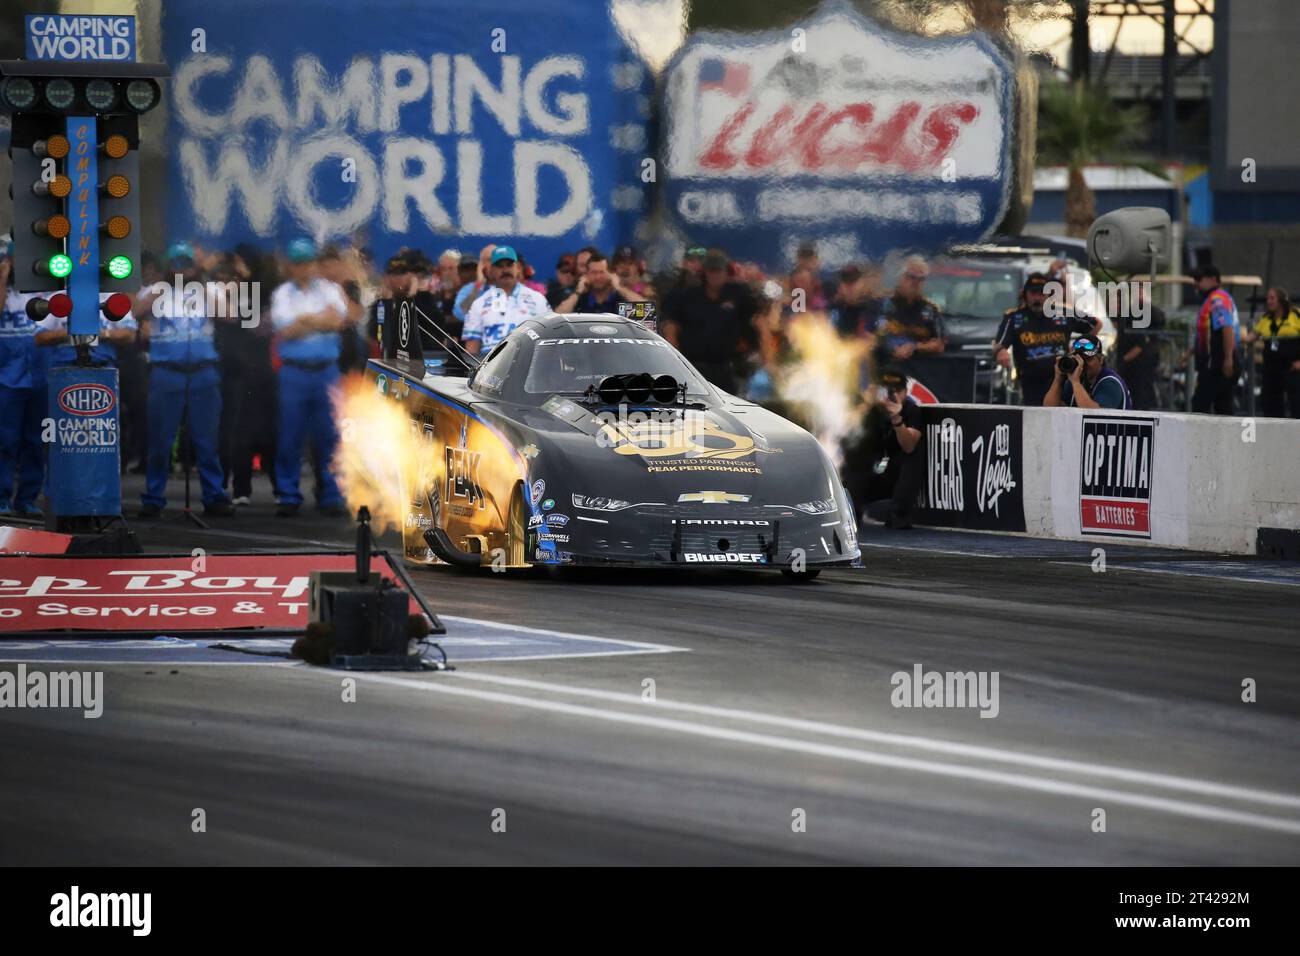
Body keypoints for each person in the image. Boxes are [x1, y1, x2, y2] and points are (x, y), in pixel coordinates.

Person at [132, 242, 233, 518]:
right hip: (166, 372)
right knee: (160, 440)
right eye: (176, 264)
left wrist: (202, 282)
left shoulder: (208, 290)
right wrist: (158, 292)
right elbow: (133, 312)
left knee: (206, 440)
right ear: (168, 266)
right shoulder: (155, 291)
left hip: (203, 372)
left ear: (194, 266)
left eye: (186, 264)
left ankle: (214, 495)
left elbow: (229, 314)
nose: (181, 270)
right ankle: (153, 497)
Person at [270, 237, 349, 518]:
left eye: (307, 262)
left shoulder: (329, 289)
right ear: (291, 266)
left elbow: (338, 321)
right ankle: (288, 494)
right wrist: (319, 320)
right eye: (298, 263)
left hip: (326, 371)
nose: (303, 268)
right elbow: (285, 330)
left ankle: (331, 493)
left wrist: (303, 320)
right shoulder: (282, 294)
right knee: (290, 435)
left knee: (329, 434)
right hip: (294, 372)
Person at [992, 272, 1099, 408]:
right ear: (1025, 294)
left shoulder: (1064, 312)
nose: (1037, 298)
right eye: (1033, 293)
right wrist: (1001, 352)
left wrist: (1080, 347)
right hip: (1030, 381)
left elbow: (1096, 324)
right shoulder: (1013, 317)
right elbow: (1000, 343)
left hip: (1061, 377)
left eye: (1042, 293)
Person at [660, 249, 757, 394]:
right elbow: (671, 327)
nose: (715, 275)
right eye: (712, 271)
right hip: (694, 366)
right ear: (705, 273)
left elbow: (757, 321)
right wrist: (676, 361)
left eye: (719, 271)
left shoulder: (738, 294)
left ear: (726, 272)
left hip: (726, 366)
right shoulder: (688, 296)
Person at [0, 239, 48, 518]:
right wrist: (3, 277)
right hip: (7, 378)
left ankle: (27, 498)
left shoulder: (39, 291)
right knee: (5, 442)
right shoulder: (5, 291)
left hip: (38, 377)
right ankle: (2, 496)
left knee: (35, 441)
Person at [461, 246, 550, 355]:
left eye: (509, 265)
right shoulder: (478, 304)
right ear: (491, 270)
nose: (505, 270)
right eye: (500, 266)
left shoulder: (537, 299)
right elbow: (472, 350)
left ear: (517, 268)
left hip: (527, 361)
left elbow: (549, 339)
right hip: (491, 366)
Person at [864, 368, 924, 529]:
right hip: (874, 470)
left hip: (897, 471)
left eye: (896, 391)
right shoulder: (872, 410)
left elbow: (909, 446)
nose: (891, 395)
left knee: (913, 456)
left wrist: (896, 419)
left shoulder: (912, 411)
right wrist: (866, 405)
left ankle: (900, 513)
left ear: (905, 392)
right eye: (887, 391)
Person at [875, 256, 946, 369]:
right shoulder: (882, 305)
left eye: (921, 279)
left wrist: (914, 347)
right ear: (899, 278)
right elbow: (872, 336)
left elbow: (939, 344)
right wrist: (893, 349)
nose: (916, 282)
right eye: (911, 277)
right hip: (886, 368)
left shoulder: (930, 310)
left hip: (919, 373)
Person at [1189, 264, 1241, 415]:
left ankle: (1200, 438)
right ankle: (1223, 438)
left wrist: (1228, 359)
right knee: (1223, 406)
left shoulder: (1217, 299)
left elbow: (1227, 327)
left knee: (1200, 403)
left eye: (1199, 279)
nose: (1196, 284)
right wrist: (1191, 351)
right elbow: (1207, 333)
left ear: (1213, 279)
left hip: (1218, 362)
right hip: (1218, 361)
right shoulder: (1215, 298)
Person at [1244, 286, 1300, 418]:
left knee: (1297, 404)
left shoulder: (1296, 315)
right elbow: (1252, 336)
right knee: (1270, 405)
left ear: (1281, 300)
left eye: (1272, 298)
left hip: (1292, 368)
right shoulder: (1266, 319)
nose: (1268, 301)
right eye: (1267, 298)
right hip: (1271, 369)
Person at [1114, 282, 1165, 411]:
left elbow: (1140, 344)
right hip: (1132, 363)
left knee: (1141, 394)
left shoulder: (1145, 313)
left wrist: (1124, 359)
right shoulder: (1129, 314)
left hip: (1141, 362)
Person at [1044, 334, 1132, 410]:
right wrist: (1058, 380)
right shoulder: (1076, 379)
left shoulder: (1110, 382)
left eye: (1088, 359)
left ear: (1101, 360)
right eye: (1078, 359)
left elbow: (1095, 416)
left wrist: (1076, 383)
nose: (1082, 364)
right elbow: (1050, 409)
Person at [555, 251, 632, 315]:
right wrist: (578, 292)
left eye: (602, 272)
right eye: (593, 272)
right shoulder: (580, 299)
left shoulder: (619, 298)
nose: (598, 277)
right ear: (586, 275)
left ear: (611, 274)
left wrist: (619, 288)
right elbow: (558, 316)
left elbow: (643, 314)